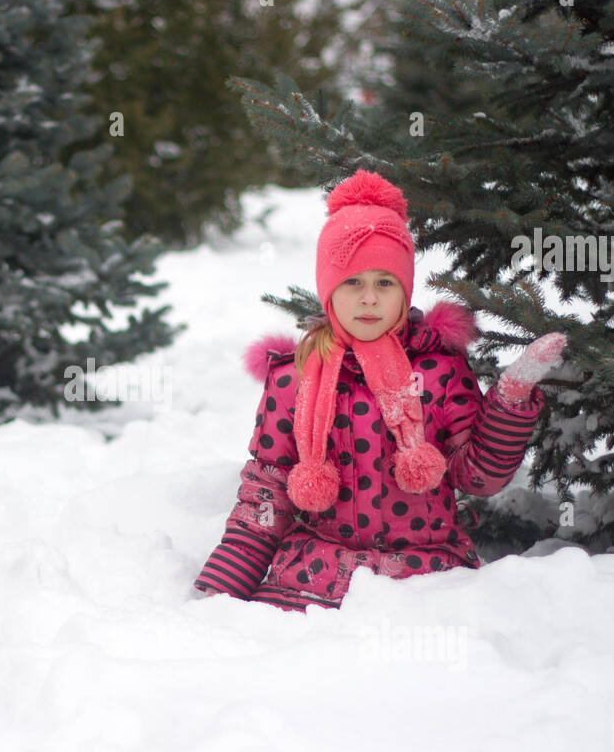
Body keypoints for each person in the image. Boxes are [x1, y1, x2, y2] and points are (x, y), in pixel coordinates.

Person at [193, 170, 567, 612]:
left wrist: (510, 401)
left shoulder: (440, 371)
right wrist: (219, 593)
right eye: (353, 282)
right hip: (314, 578)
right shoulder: (293, 377)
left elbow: (478, 477)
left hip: (423, 578)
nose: (369, 299)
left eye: (384, 283)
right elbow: (265, 497)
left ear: (404, 290)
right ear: (329, 291)